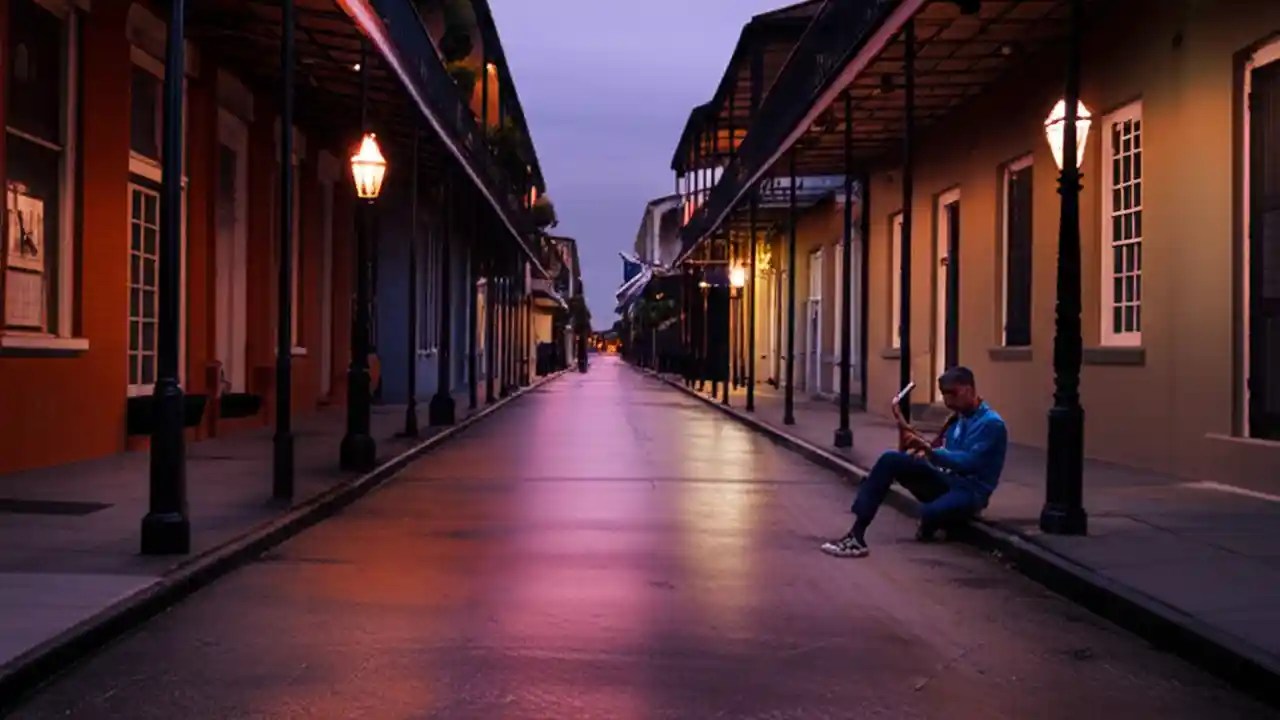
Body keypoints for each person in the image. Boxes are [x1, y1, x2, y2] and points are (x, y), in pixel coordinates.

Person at [821, 366, 1007, 558]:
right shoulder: (958, 418)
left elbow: (969, 462)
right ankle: (856, 536)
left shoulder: (991, 423)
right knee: (891, 460)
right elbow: (945, 452)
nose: (947, 400)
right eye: (944, 394)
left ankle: (938, 520)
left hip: (971, 491)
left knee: (928, 513)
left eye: (952, 393)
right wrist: (922, 454)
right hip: (947, 480)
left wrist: (930, 451)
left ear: (968, 390)